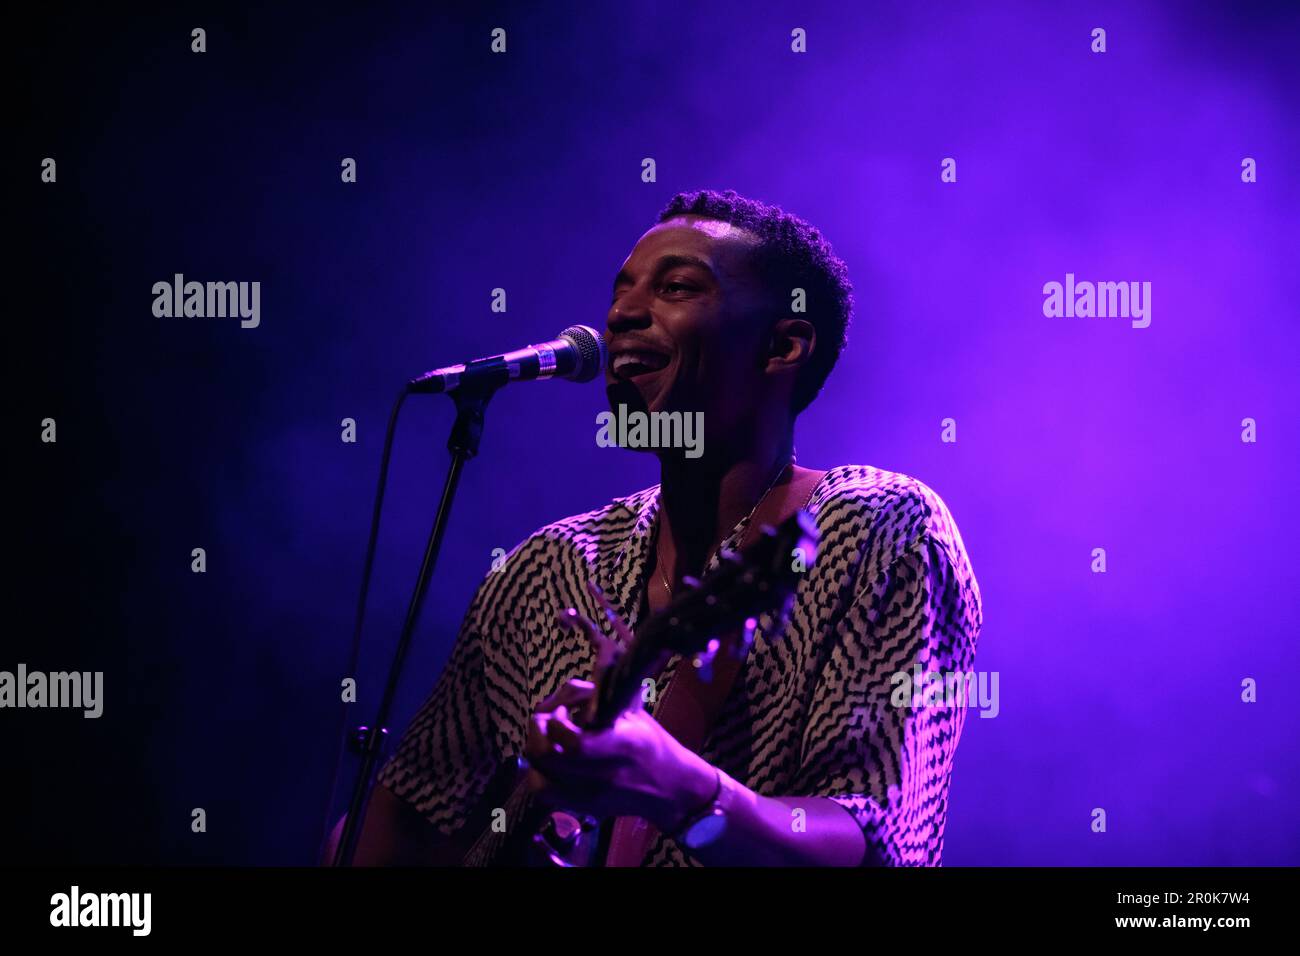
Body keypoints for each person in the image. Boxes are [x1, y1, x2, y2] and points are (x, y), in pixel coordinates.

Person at [349, 189, 983, 866]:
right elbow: (410, 816)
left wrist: (679, 787)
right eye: (620, 291)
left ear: (782, 344)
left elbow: (875, 841)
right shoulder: (551, 565)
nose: (620, 314)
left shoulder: (875, 527)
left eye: (676, 286)